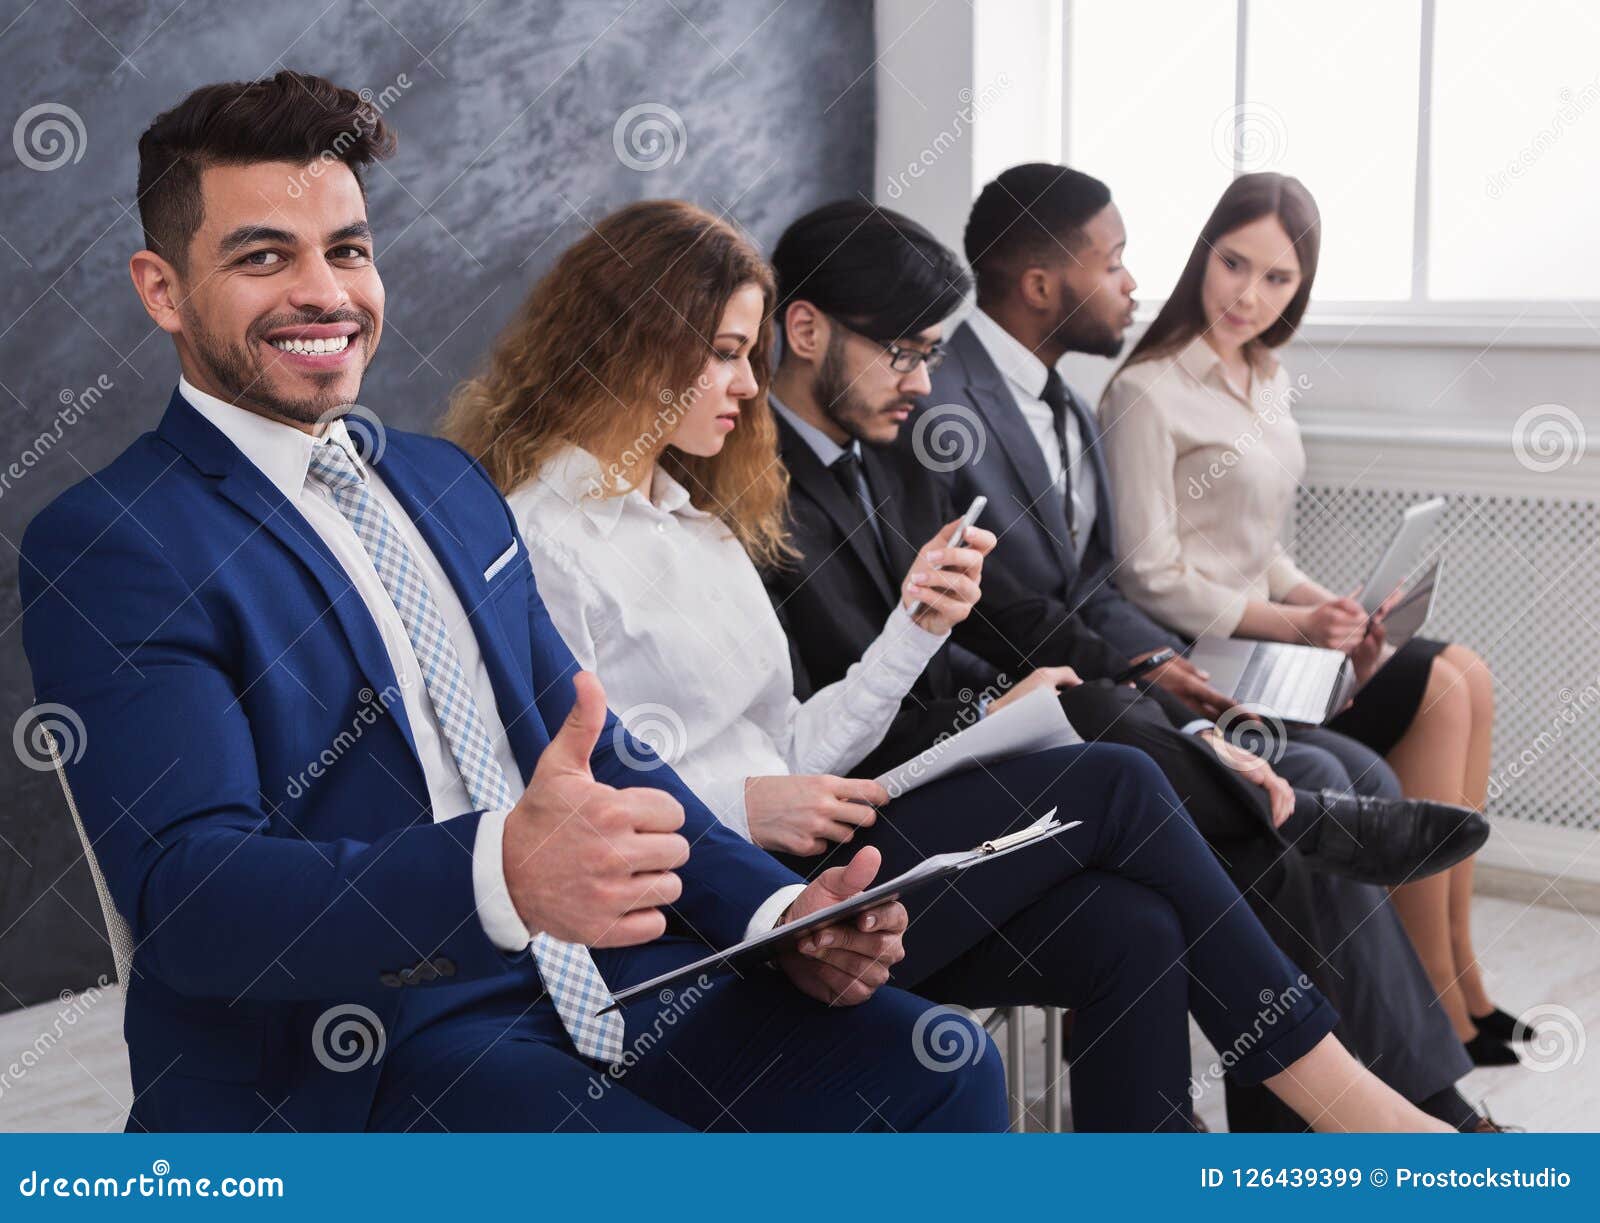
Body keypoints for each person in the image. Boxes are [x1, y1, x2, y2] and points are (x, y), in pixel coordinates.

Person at [16, 71, 1006, 1134]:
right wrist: (501, 870)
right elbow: (194, 902)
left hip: (605, 969)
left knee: (944, 1068)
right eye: (265, 256)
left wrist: (775, 913)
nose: (325, 292)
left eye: (347, 249)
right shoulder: (120, 538)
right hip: (370, 1041)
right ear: (161, 290)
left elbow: (599, 746)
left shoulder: (444, 482)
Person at [442, 196, 1455, 1133]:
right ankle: (1346, 1099)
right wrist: (744, 801)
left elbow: (794, 740)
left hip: (810, 845)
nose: (747, 385)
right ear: (629, 346)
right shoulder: (540, 538)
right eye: (721, 354)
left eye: (746, 354)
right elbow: (562, 787)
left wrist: (914, 631)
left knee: (1132, 924)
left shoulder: (694, 519)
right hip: (716, 906)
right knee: (1113, 775)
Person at [760, 200, 1493, 1132]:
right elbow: (825, 717)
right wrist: (990, 708)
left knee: (1140, 893)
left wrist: (1123, 667)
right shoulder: (757, 492)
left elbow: (1003, 607)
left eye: (931, 354)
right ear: (806, 328)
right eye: (903, 352)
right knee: (1147, 762)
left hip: (953, 748)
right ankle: (1376, 1091)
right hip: (862, 801)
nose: (922, 380)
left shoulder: (891, 446)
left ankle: (1221, 1145)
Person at [1099, 171, 1530, 1069]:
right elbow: (1149, 574)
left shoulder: (1268, 377)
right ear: (1202, 253)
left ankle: (1463, 979)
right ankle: (1440, 1000)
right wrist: (1288, 627)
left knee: (1468, 678)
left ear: (1301, 288)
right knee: (1443, 689)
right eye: (1233, 264)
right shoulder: (1146, 389)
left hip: (1274, 648)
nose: (1247, 295)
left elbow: (1263, 550)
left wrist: (1324, 605)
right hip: (1210, 663)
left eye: (1277, 280)